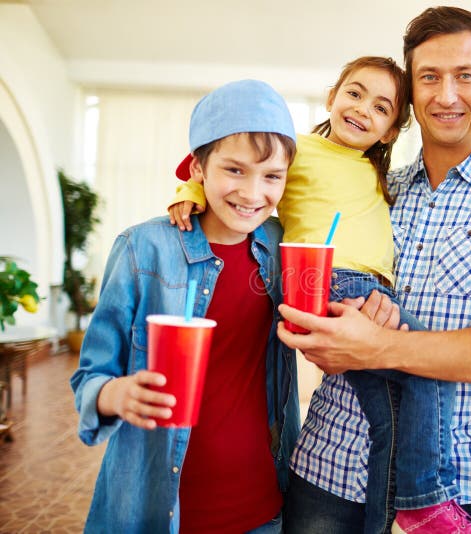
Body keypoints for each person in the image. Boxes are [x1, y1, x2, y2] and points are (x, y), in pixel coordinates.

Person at [274, 7, 471, 534]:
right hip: (329, 467)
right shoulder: (375, 188)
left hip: (461, 488)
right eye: (429, 77)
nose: (447, 95)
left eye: (465, 76)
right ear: (411, 95)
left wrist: (377, 346)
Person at [168, 56, 471, 533]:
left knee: (390, 420)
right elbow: (245, 168)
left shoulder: (374, 171)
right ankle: (424, 498)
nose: (362, 109)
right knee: (428, 370)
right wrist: (189, 189)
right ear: (332, 96)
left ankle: (391, 517)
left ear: (390, 132)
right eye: (354, 94)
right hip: (335, 281)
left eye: (381, 108)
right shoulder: (302, 151)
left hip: (370, 291)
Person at [70, 79, 301, 533]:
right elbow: (90, 376)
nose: (253, 193)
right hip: (154, 509)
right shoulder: (143, 249)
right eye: (234, 170)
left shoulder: (281, 246)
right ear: (198, 166)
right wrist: (115, 394)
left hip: (262, 506)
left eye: (271, 175)